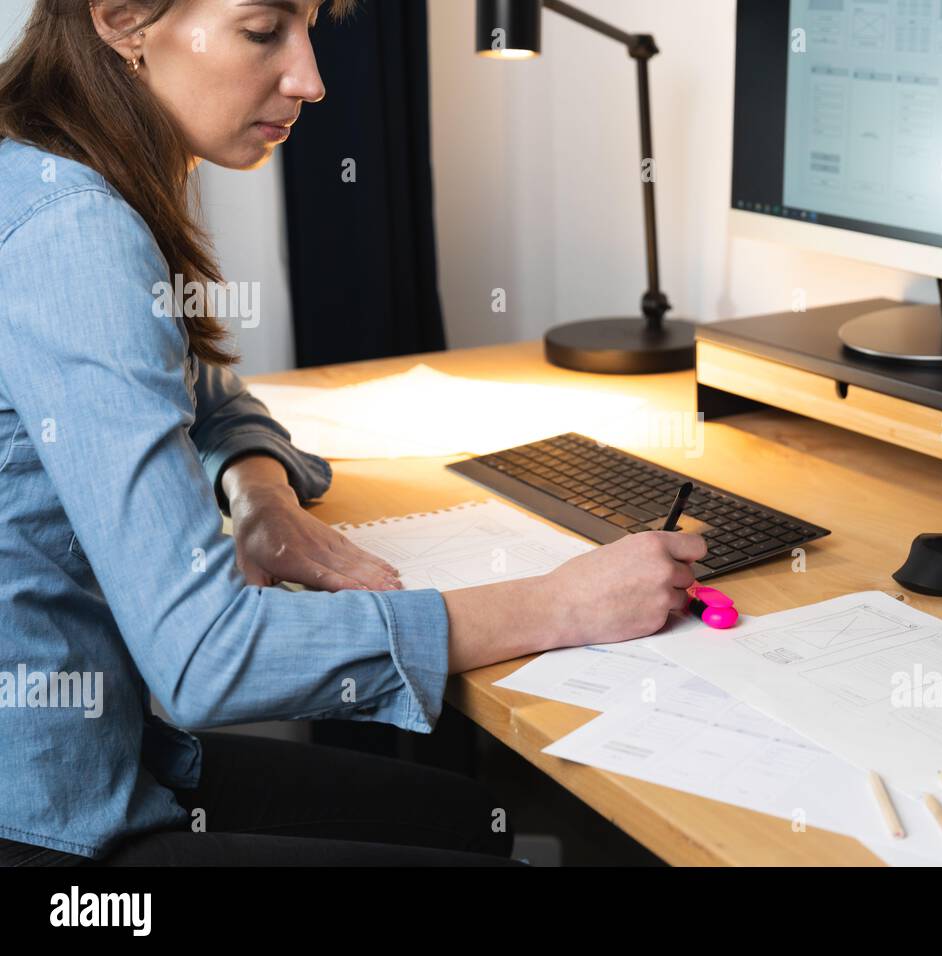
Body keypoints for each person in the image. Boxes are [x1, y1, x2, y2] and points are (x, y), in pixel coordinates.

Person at [0, 0, 706, 866]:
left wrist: (258, 494)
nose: (311, 80)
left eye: (306, 31)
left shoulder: (61, 170)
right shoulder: (74, 232)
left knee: (468, 818)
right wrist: (555, 605)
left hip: (103, 754)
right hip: (43, 824)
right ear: (122, 21)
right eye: (263, 32)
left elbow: (209, 393)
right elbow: (203, 657)